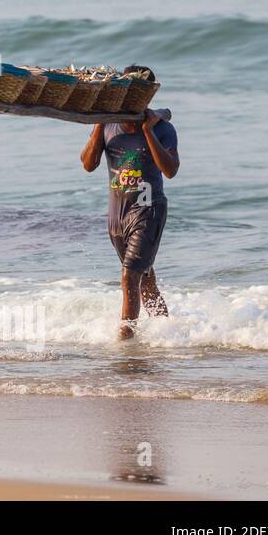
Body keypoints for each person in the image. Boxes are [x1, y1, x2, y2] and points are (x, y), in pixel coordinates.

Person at [79, 65, 178, 340]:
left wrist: (148, 131)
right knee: (145, 281)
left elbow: (170, 170)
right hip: (117, 216)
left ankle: (126, 343)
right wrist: (99, 122)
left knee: (128, 278)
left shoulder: (164, 129)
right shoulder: (108, 125)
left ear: (147, 97)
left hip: (148, 211)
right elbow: (88, 164)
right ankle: (168, 333)